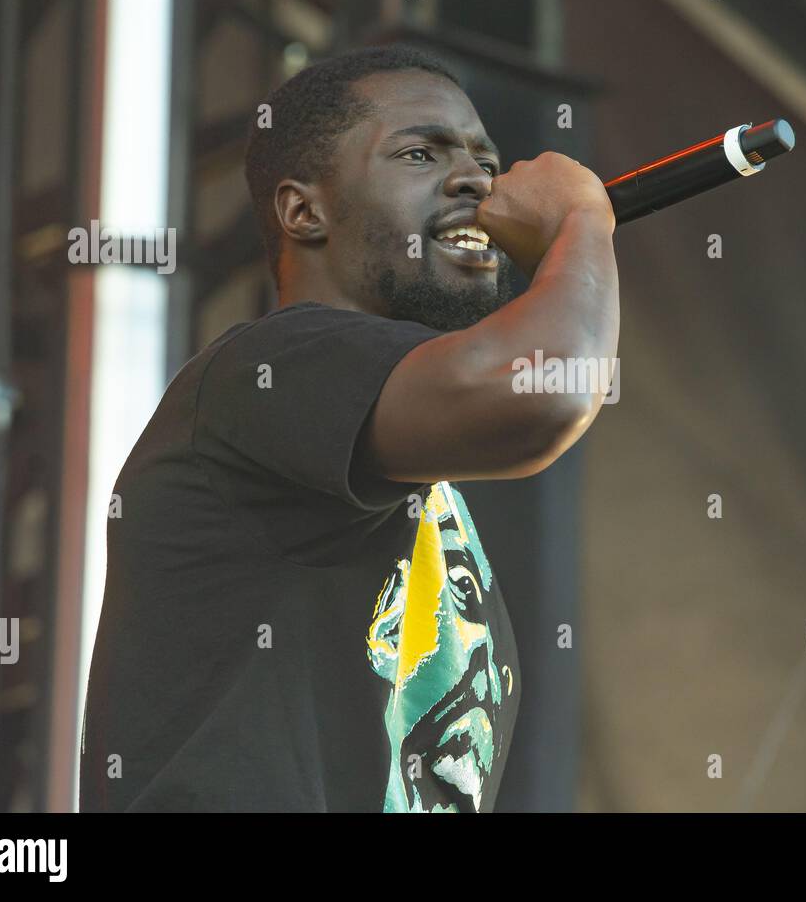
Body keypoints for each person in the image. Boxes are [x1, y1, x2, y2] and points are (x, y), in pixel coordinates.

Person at [78, 45, 619, 812]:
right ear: (304, 211)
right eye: (421, 153)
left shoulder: (420, 485)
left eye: (486, 160)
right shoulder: (272, 366)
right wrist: (581, 218)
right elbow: (546, 390)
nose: (477, 180)